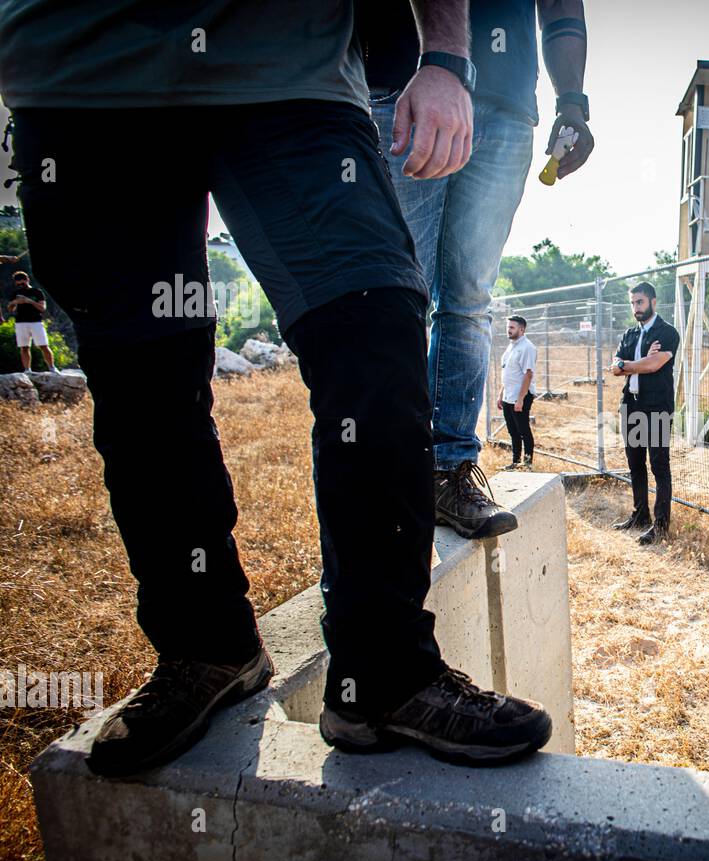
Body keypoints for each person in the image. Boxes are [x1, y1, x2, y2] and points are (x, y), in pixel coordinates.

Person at [0, 0, 552, 778]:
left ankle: (384, 672)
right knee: (141, 384)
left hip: (291, 69)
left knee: (378, 326)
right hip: (80, 78)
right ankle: (206, 647)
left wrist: (448, 56)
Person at [357, 0, 594, 540]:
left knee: (468, 300)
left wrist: (573, 100)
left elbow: (561, 7)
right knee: (393, 296)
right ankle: (386, 472)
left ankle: (449, 470)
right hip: (407, 84)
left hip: (508, 108)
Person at [608, 282, 678, 546]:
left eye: (640, 302)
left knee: (659, 466)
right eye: (633, 303)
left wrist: (628, 365)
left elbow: (654, 365)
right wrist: (631, 365)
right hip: (632, 404)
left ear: (653, 302)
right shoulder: (629, 334)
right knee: (635, 463)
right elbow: (615, 367)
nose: (636, 307)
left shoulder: (667, 332)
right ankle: (640, 515)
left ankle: (660, 526)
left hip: (656, 406)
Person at [498, 315, 537, 469]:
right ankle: (515, 462)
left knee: (523, 430)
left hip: (521, 395)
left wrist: (520, 399)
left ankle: (527, 464)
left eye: (512, 327)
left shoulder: (527, 347)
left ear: (522, 329)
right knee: (513, 431)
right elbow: (508, 372)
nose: (508, 330)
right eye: (508, 327)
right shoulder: (511, 346)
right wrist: (501, 394)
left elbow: (528, 374)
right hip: (508, 394)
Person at [6, 270, 55, 372]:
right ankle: (27, 369)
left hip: (36, 322)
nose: (21, 285)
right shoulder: (15, 293)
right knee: (24, 347)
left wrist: (29, 301)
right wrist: (14, 302)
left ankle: (52, 368)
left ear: (27, 280)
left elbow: (42, 308)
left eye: (22, 282)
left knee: (44, 346)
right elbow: (10, 310)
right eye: (18, 283)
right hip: (21, 322)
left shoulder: (37, 292)